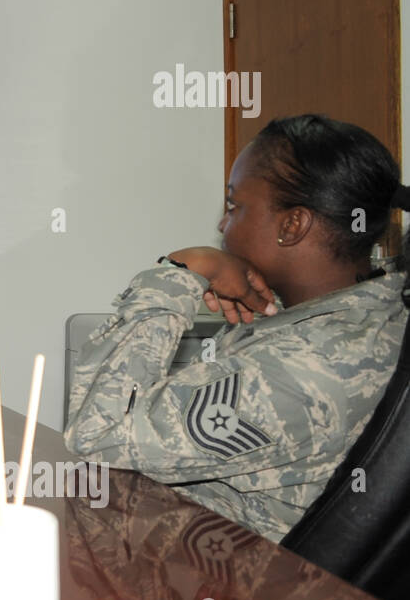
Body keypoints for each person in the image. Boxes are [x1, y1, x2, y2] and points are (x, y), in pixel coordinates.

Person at [66, 114, 410, 542]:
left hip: (238, 589)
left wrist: (183, 269)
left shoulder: (303, 367)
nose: (222, 225)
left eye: (234, 206)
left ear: (292, 225)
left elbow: (97, 438)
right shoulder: (370, 314)